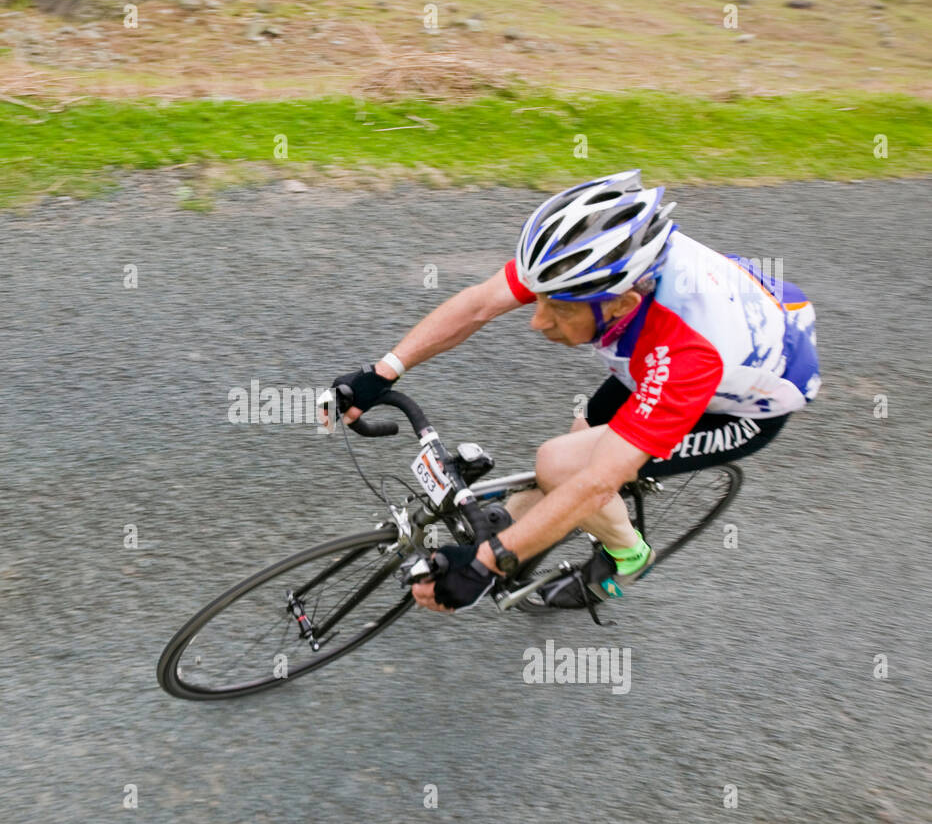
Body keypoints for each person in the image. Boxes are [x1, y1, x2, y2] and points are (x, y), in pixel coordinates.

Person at [325, 169, 821, 613]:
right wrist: (384, 371)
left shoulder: (684, 352)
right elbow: (480, 304)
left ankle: (627, 554)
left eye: (557, 310)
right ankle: (543, 529)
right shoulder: (585, 267)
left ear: (624, 303)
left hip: (736, 407)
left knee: (565, 466)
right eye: (539, 300)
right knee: (573, 446)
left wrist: (485, 564)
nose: (537, 321)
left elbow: (597, 482)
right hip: (672, 354)